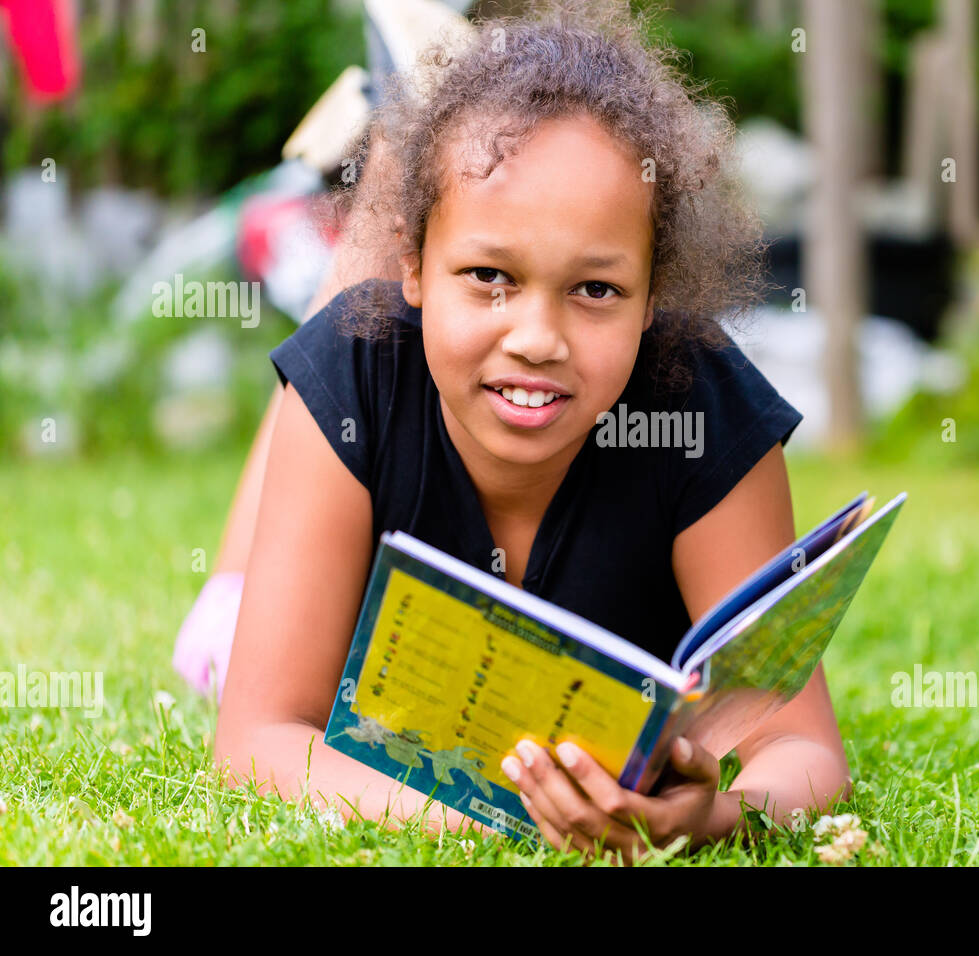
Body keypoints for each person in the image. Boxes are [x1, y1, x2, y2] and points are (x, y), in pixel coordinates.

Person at [210, 0, 852, 862]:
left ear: (654, 294)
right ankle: (396, 161)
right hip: (354, 425)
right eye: (489, 276)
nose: (539, 339)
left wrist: (702, 819)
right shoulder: (356, 375)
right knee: (222, 622)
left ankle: (428, 165)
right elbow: (258, 739)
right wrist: (507, 824)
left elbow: (805, 753)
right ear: (419, 263)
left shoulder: (699, 403)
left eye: (596, 290)